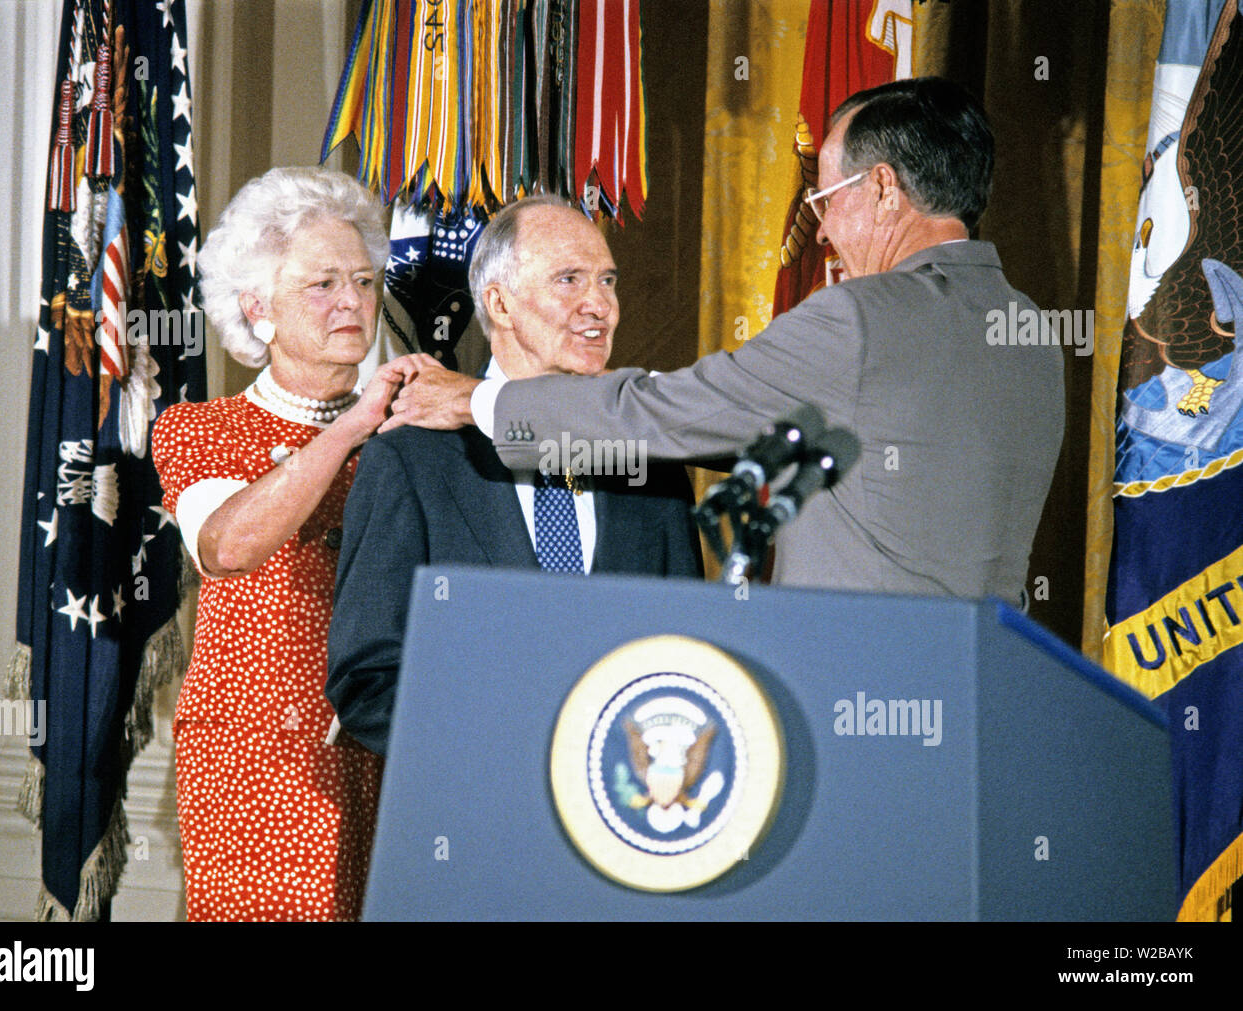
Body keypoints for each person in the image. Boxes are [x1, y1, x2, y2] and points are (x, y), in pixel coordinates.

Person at [374, 78, 1065, 603]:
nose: (819, 230)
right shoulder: (1032, 338)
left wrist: (480, 402)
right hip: (980, 709)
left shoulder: (859, 318)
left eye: (823, 200)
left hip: (852, 700)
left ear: (883, 189)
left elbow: (660, 412)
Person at [326, 195, 703, 755]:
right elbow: (368, 681)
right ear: (500, 303)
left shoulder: (649, 464)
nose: (599, 304)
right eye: (569, 280)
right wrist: (511, 748)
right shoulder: (411, 460)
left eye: (608, 281)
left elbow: (689, 656)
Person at [151, 166, 391, 921]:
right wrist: (349, 427)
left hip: (389, 747)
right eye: (321, 284)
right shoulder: (202, 430)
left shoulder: (410, 433)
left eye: (362, 279)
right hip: (259, 761)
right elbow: (227, 546)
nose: (352, 301)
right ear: (259, 310)